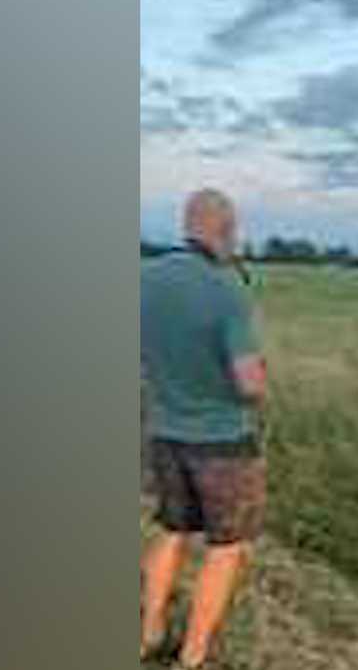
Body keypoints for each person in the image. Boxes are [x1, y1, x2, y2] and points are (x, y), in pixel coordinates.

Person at [140, 188, 268, 668]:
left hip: (165, 431)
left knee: (172, 530)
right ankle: (192, 657)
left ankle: (149, 632)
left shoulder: (144, 278)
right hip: (222, 443)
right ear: (225, 231)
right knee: (226, 547)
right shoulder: (226, 290)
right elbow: (250, 383)